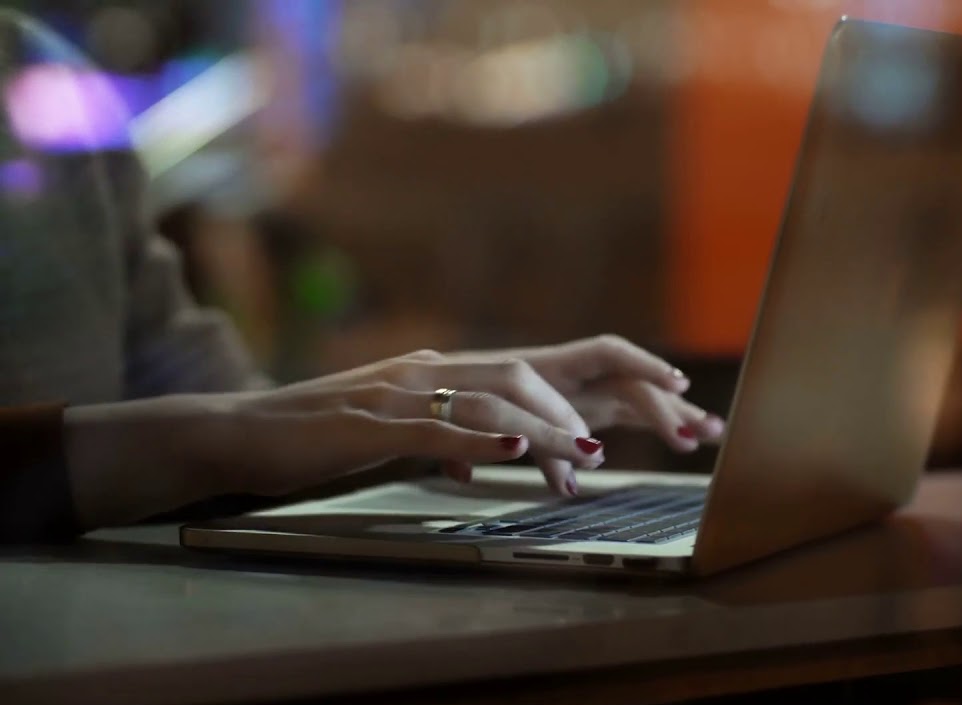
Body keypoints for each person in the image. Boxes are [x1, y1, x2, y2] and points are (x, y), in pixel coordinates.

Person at [0, 10, 723, 543]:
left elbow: (230, 433)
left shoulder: (42, 74)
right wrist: (226, 437)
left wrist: (441, 414)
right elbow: (218, 437)